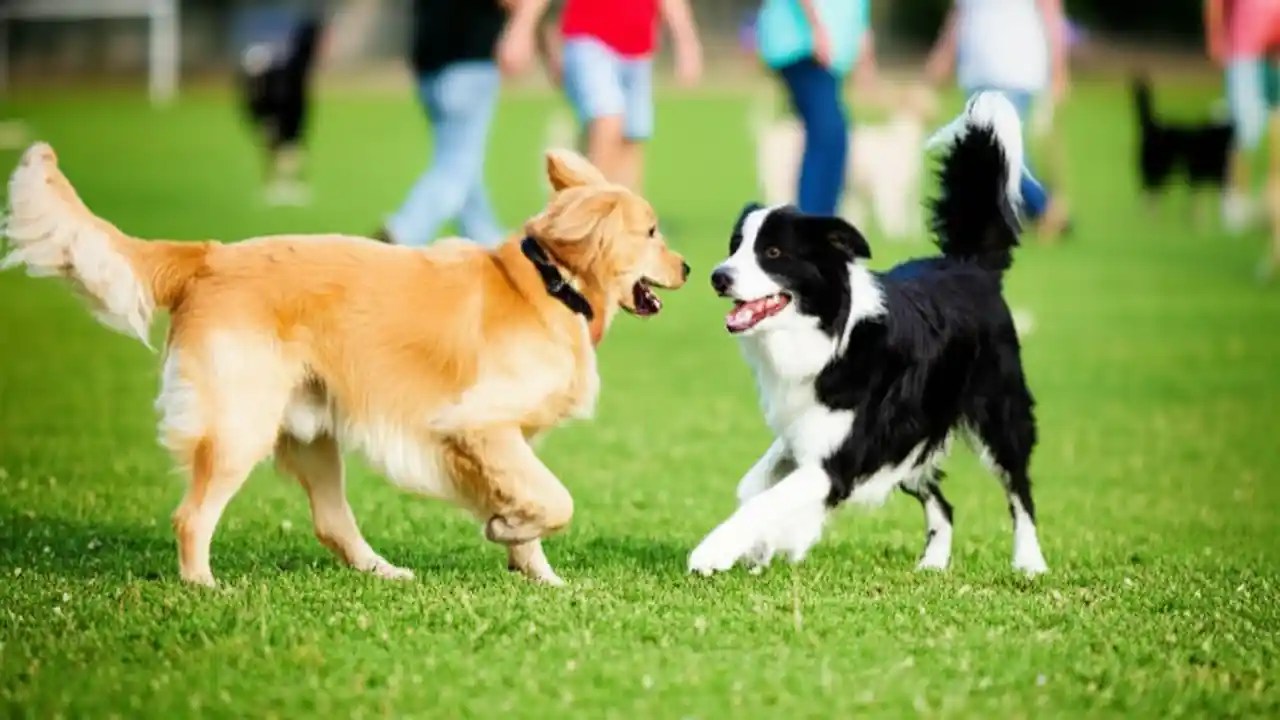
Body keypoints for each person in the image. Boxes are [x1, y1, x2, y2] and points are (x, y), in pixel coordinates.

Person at [497, 0, 704, 192]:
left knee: (632, 138)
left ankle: (624, 222)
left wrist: (687, 42)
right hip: (589, 40)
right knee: (608, 121)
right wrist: (520, 28)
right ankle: (590, 212)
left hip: (639, 48)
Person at [926, 0, 1071, 240]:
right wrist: (943, 55)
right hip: (976, 72)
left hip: (1015, 69)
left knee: (1003, 147)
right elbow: (960, 12)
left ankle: (1044, 206)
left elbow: (1051, 9)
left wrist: (1058, 66)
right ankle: (1018, 214)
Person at [376, 0, 513, 247]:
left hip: (429, 66)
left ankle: (490, 242)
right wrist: (524, 24)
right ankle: (404, 231)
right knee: (456, 167)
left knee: (464, 168)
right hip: (470, 60)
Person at [755, 0, 879, 217]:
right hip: (801, 45)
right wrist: (817, 28)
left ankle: (819, 220)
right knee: (829, 132)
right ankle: (812, 220)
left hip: (830, 55)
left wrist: (864, 53)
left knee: (832, 136)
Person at [1205, 0, 1280, 280]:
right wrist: (1216, 37)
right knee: (1247, 133)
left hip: (1273, 55)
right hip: (1246, 53)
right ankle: (1237, 201)